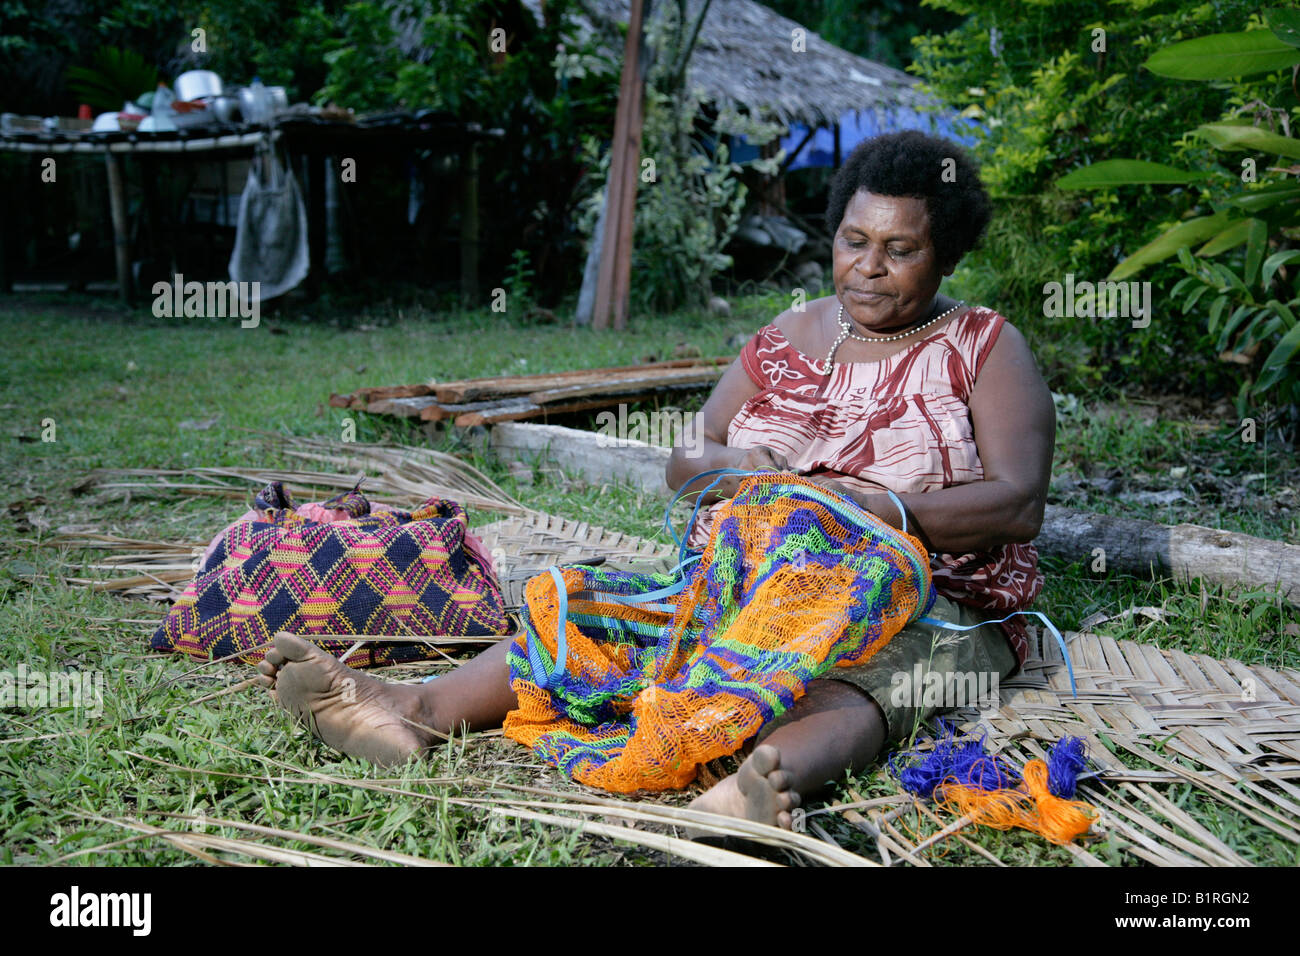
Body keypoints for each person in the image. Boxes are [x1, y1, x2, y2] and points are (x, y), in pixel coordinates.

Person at [255, 130, 1055, 833]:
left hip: (932, 606)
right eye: (854, 240)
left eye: (900, 249)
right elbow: (691, 452)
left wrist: (880, 507)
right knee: (610, 613)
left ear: (944, 254)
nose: (869, 267)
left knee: (871, 679)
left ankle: (750, 790)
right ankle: (414, 711)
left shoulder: (982, 347)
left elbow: (1018, 503)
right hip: (751, 588)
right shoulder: (785, 338)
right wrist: (733, 467)